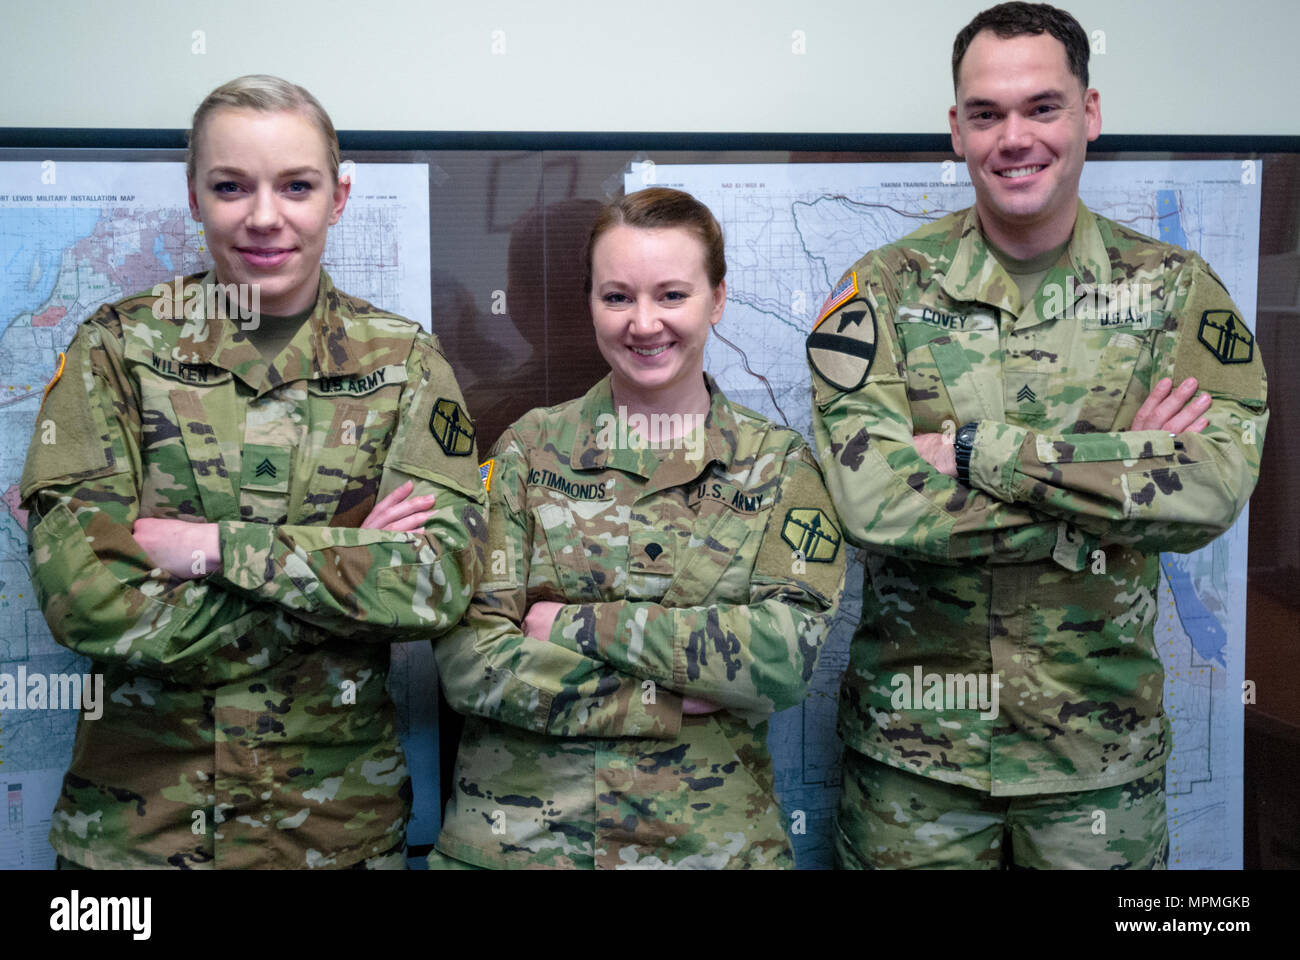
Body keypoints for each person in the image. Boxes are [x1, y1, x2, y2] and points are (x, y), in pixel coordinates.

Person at [808, 2, 1267, 869]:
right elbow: (872, 503)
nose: (1014, 137)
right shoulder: (881, 290)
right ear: (957, 129)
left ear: (1088, 114)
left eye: (1042, 107)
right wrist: (1120, 481)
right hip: (914, 767)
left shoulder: (1175, 292)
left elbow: (1208, 492)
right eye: (987, 114)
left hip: (1099, 765)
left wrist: (981, 455)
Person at [20, 75, 487, 869]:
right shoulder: (116, 351)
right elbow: (88, 602)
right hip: (136, 843)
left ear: (338, 198)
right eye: (231, 186)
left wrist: (211, 548)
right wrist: (342, 573)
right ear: (195, 197)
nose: (264, 216)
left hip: (334, 834)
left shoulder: (405, 364)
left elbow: (435, 584)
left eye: (296, 186)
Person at [432, 186, 845, 869]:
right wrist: (668, 700)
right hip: (524, 848)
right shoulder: (525, 452)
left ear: (716, 299)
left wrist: (575, 626)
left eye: (671, 295)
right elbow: (473, 664)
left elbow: (782, 659)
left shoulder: (780, 467)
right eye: (617, 296)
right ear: (590, 302)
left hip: (707, 849)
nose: (643, 322)